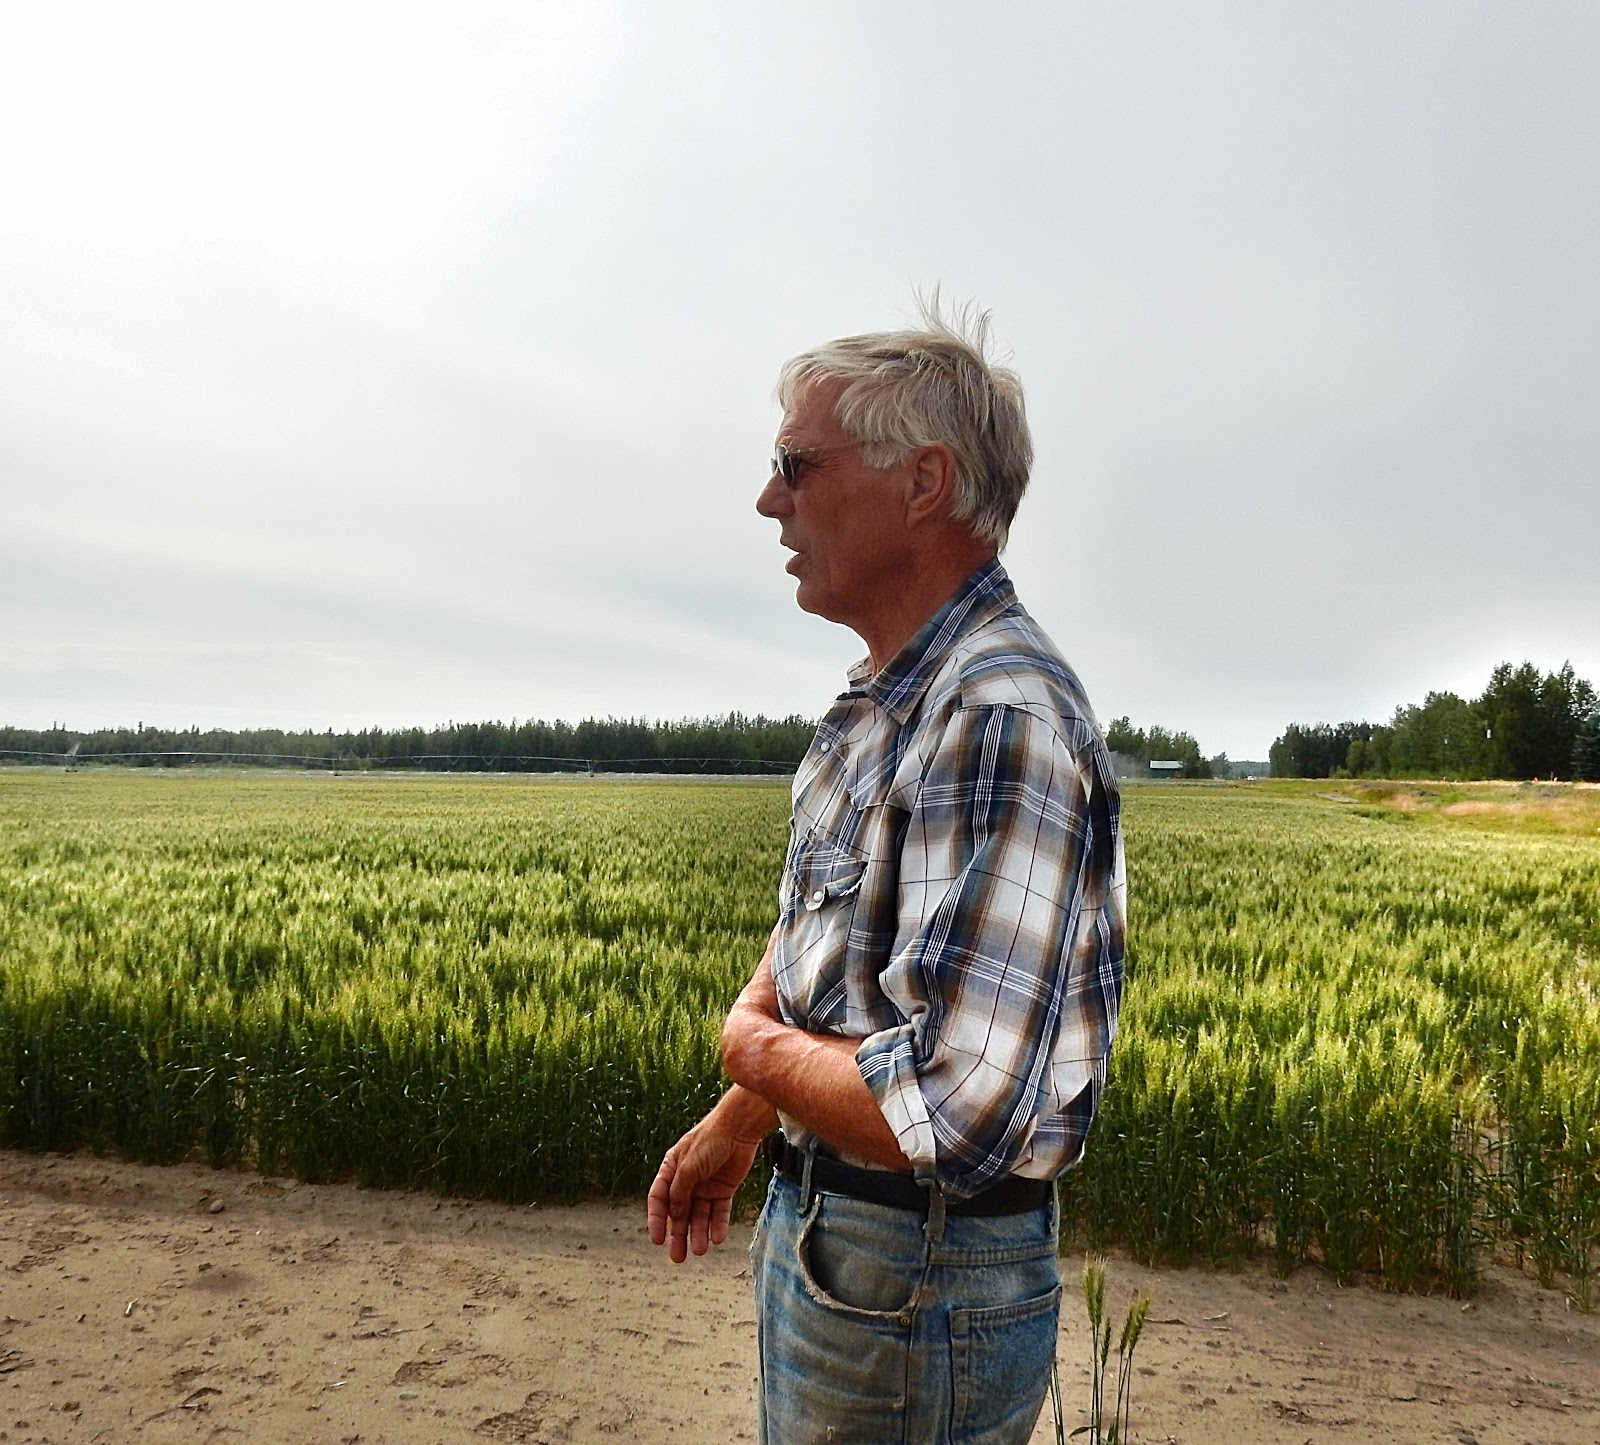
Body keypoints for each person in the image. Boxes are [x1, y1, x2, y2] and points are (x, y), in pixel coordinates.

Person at [647, 302, 1126, 1444]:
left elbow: (950, 1110)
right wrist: (743, 1112)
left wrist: (748, 1043)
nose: (771, 500)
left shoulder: (993, 713)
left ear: (923, 481)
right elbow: (841, 945)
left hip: (917, 1272)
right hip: (852, 1246)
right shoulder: (885, 701)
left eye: (794, 464)